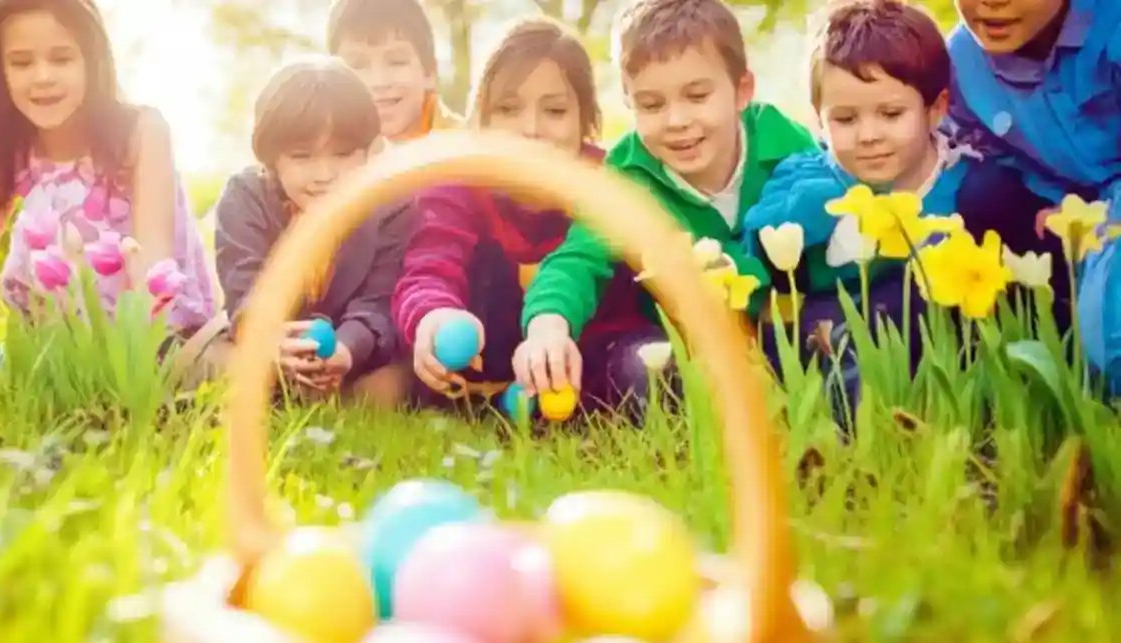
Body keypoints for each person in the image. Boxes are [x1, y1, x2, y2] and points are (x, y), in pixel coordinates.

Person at [516, 0, 818, 405]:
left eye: (697, 96)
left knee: (826, 336)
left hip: (777, 323)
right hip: (677, 340)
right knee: (644, 368)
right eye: (652, 105)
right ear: (628, 102)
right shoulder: (629, 175)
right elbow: (577, 259)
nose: (676, 121)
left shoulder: (783, 143)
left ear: (742, 90)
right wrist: (548, 325)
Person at [0, 0, 217, 346]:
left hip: (153, 335)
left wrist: (136, 350)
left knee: (208, 364)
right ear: (1, 72)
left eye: (62, 58)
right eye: (21, 62)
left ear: (93, 61)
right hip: (56, 346)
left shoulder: (140, 132)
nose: (43, 77)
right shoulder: (11, 149)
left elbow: (153, 263)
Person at [391, 17, 648, 417]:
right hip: (482, 361)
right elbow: (431, 265)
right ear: (483, 120)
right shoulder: (456, 182)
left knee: (642, 365)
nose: (530, 129)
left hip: (589, 359)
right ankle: (480, 399)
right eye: (508, 109)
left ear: (586, 122)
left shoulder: (605, 182)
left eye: (555, 110)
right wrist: (434, 316)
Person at [741, 0, 979, 414]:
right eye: (846, 120)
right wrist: (817, 208)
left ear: (936, 110)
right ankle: (859, 423)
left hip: (929, 324)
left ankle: (953, 408)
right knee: (836, 342)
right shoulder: (809, 178)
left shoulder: (961, 180)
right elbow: (759, 240)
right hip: (831, 320)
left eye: (890, 114)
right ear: (819, 118)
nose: (868, 135)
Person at [214, 57, 411, 407]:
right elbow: (245, 286)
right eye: (302, 157)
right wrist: (269, 340)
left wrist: (347, 350)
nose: (324, 174)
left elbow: (379, 303)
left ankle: (324, 392)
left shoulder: (391, 205)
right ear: (272, 160)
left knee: (388, 389)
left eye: (342, 155)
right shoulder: (245, 196)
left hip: (354, 350)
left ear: (368, 153)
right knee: (213, 362)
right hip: (265, 339)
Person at [946, 0, 1121, 390]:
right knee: (978, 191)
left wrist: (1096, 212)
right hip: (1057, 222)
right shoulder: (960, 62)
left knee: (1113, 333)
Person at [326, 0, 461, 142]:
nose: (378, 82)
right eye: (358, 65)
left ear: (429, 72)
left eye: (397, 62)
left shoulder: (468, 152)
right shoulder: (318, 153)